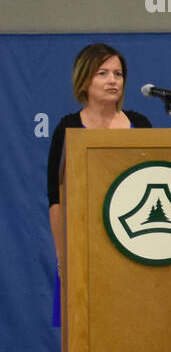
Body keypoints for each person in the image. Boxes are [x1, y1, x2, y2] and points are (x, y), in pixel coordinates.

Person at [47, 43, 152, 268]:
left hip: (134, 236)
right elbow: (56, 196)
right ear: (85, 80)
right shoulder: (68, 127)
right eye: (102, 74)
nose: (113, 81)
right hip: (83, 240)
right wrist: (62, 252)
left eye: (118, 74)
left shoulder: (140, 124)